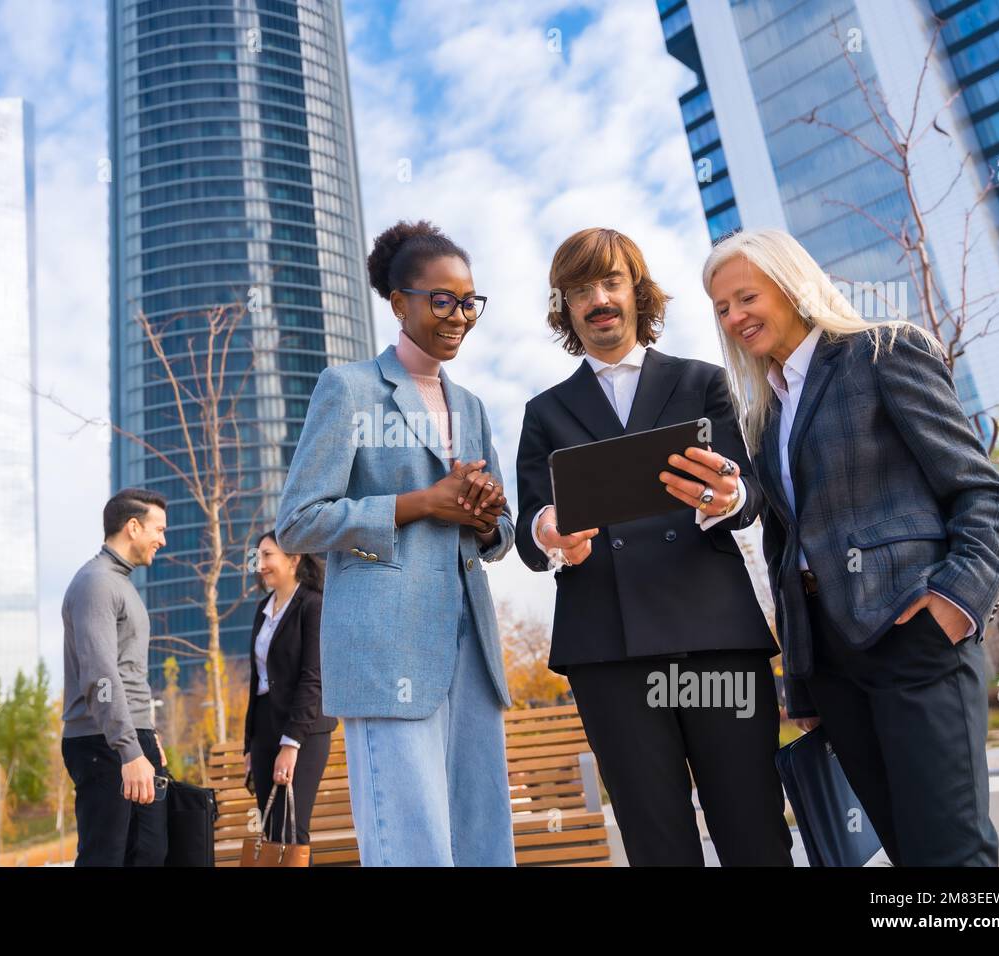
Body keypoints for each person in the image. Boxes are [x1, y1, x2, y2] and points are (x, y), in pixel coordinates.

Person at [703, 228, 999, 866]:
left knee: (950, 856)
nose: (735, 317)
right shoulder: (766, 413)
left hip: (915, 637)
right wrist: (804, 681)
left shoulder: (883, 352)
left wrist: (953, 602)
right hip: (835, 664)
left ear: (792, 285)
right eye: (722, 309)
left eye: (746, 297)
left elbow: (983, 493)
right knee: (904, 856)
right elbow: (782, 547)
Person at [514, 226, 793, 866]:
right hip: (608, 650)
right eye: (580, 290)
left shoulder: (705, 382)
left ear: (637, 293)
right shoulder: (543, 411)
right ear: (565, 307)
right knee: (655, 840)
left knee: (754, 828)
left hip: (715, 636)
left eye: (611, 282)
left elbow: (752, 492)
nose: (599, 300)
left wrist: (727, 500)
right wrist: (551, 536)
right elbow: (533, 529)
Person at [275, 220, 516, 866]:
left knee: (483, 842)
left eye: (469, 302)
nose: (459, 315)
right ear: (399, 302)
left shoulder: (470, 406)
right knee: (412, 846)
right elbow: (297, 521)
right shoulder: (348, 389)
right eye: (442, 300)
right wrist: (416, 505)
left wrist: (486, 515)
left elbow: (501, 537)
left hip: (470, 648)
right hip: (388, 650)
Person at [61, 488, 170, 866]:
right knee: (105, 857)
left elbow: (128, 670)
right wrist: (128, 748)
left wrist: (147, 734)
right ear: (133, 527)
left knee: (149, 853)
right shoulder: (96, 583)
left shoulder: (120, 583)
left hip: (129, 737)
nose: (163, 539)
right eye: (158, 529)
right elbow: (100, 675)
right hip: (101, 742)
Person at [242, 530, 337, 851]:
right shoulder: (263, 610)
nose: (261, 564)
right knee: (271, 832)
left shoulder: (313, 606)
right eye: (259, 557)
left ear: (294, 559)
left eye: (268, 555)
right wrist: (248, 746)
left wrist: (291, 742)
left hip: (304, 730)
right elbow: (257, 681)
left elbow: (314, 677)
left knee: (291, 830)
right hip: (264, 728)